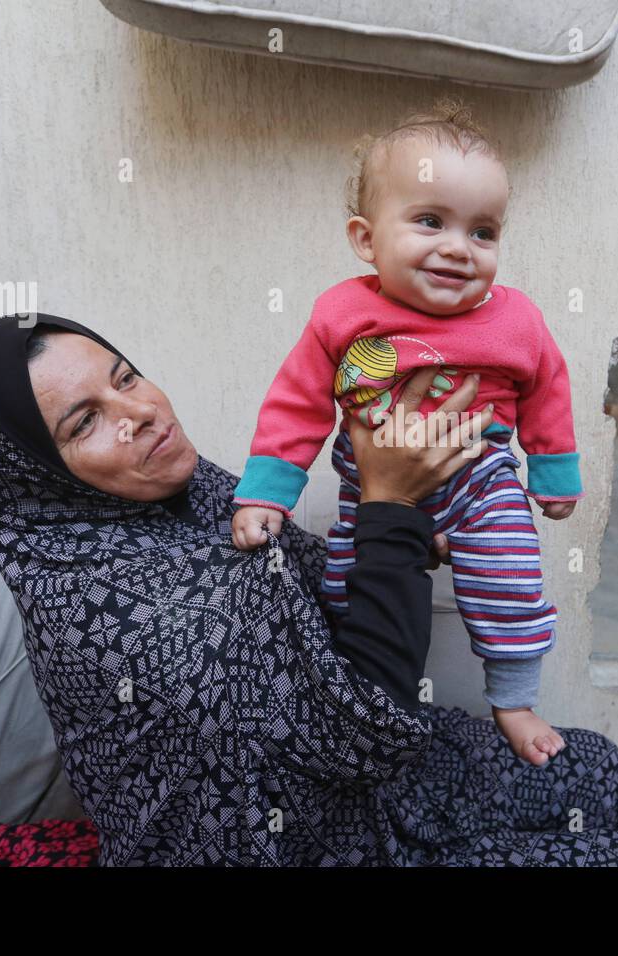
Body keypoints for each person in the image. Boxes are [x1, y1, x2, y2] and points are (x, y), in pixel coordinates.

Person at [0, 313, 618, 867]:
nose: (140, 412)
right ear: (35, 482)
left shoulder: (193, 498)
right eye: (87, 422)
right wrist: (389, 505)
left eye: (124, 376)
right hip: (306, 836)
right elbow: (361, 733)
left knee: (591, 765)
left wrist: (430, 524)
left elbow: (311, 584)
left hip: (343, 761)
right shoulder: (120, 618)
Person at [230, 98, 581, 765]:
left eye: (484, 232)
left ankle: (513, 698)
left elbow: (548, 388)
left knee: (511, 576)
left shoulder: (517, 320)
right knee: (343, 584)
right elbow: (297, 402)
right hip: (376, 486)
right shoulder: (342, 315)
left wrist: (555, 473)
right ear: (366, 238)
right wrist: (264, 492)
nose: (458, 247)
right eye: (429, 221)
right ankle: (355, 703)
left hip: (480, 481)